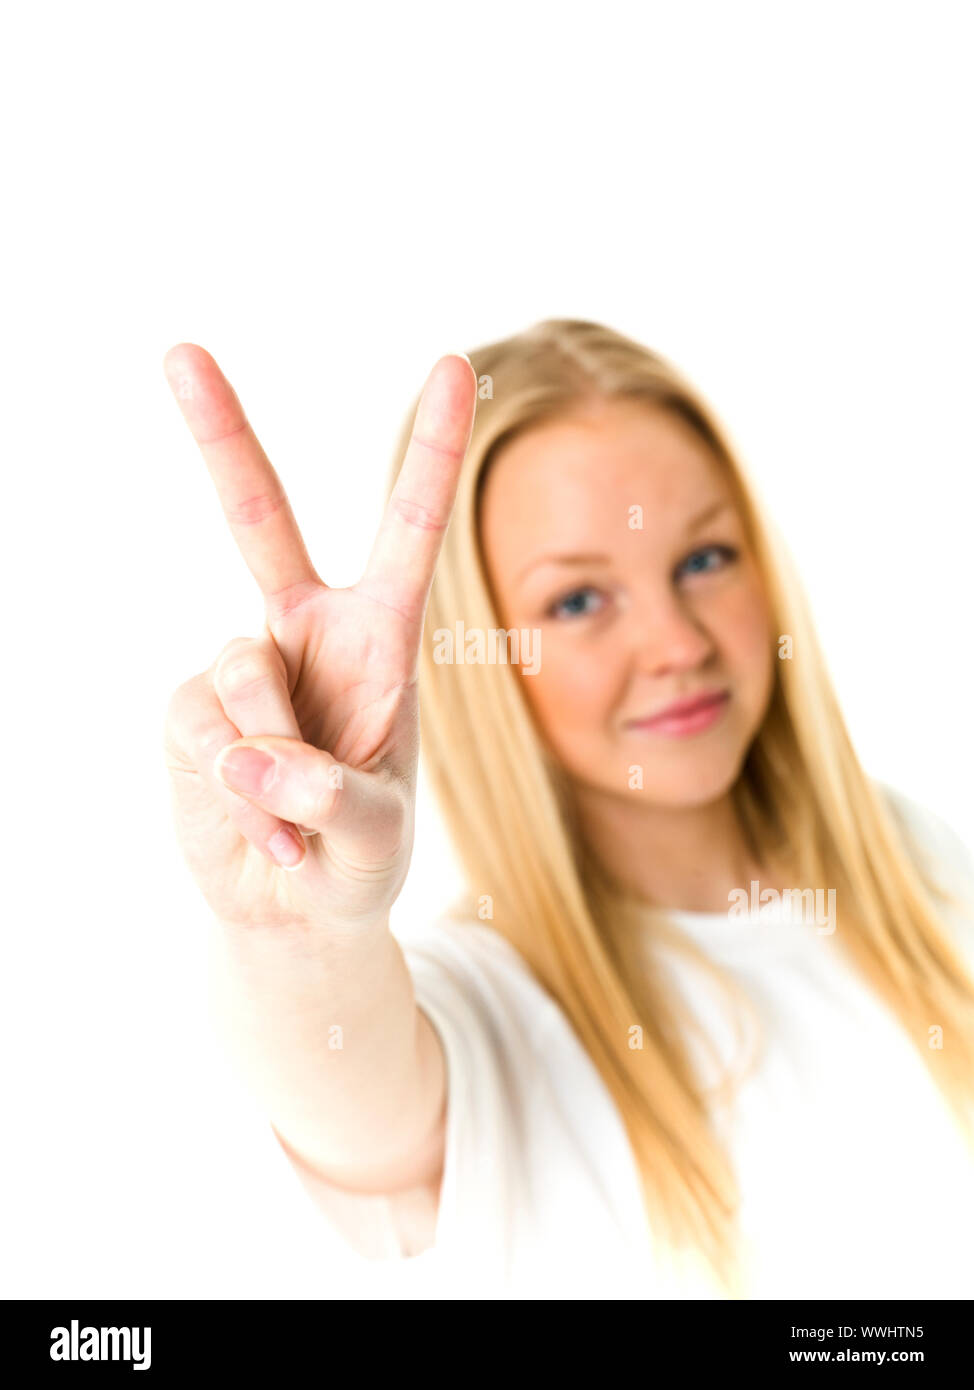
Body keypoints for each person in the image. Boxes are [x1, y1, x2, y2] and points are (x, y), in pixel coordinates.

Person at [162, 319, 974, 1300]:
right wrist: (294, 928)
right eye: (578, 602)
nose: (675, 643)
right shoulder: (486, 1015)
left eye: (705, 559)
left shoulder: (920, 860)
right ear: (482, 654)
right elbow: (348, 1107)